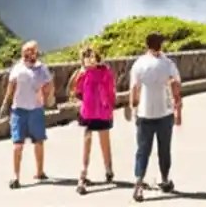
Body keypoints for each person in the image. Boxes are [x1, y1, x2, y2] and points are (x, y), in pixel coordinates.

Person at [126, 32, 182, 202]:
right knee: (164, 149)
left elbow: (134, 90)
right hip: (164, 112)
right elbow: (176, 84)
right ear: (161, 45)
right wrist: (178, 108)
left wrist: (133, 108)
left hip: (144, 113)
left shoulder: (139, 64)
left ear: (146, 45)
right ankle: (164, 180)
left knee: (143, 150)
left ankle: (138, 183)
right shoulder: (168, 63)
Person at [0, 40, 53, 189]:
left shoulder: (42, 69)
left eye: (33, 51)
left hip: (36, 109)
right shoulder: (17, 69)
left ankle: (40, 171)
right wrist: (5, 104)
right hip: (19, 110)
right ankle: (16, 176)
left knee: (39, 141)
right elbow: (11, 87)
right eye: (28, 51)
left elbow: (49, 84)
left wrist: (48, 98)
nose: (31, 54)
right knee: (17, 144)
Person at [71, 45, 117, 194]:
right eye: (86, 57)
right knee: (87, 141)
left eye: (92, 57)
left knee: (105, 141)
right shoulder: (82, 74)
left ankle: (108, 168)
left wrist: (110, 107)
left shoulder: (105, 72)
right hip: (88, 112)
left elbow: (111, 91)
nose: (90, 60)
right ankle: (83, 173)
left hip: (103, 111)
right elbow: (76, 91)